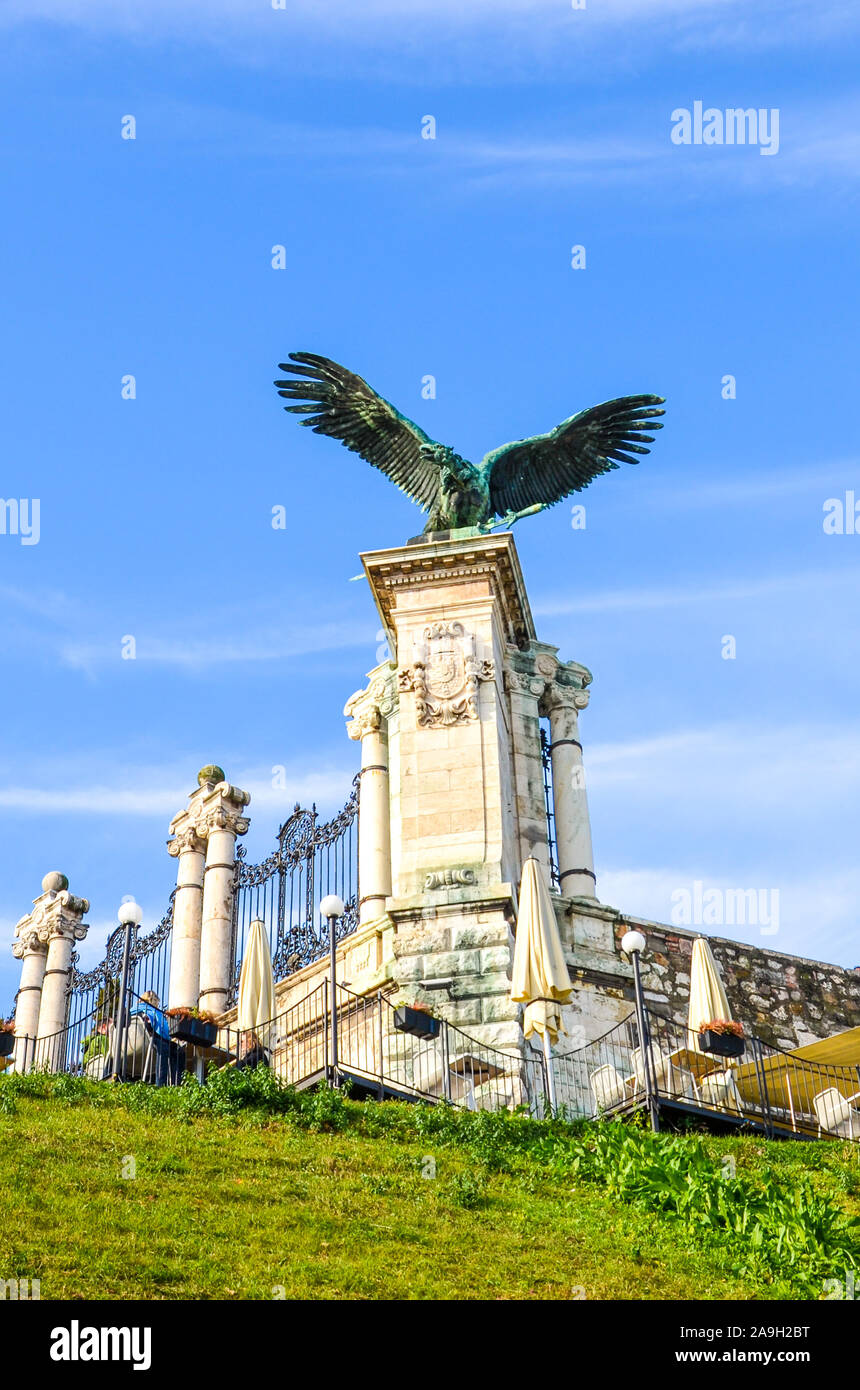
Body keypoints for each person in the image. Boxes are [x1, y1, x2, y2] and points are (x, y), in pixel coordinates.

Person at [130, 990, 180, 1085]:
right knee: (173, 1049)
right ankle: (167, 1083)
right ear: (153, 1000)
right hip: (148, 1041)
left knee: (172, 1048)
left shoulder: (133, 1011)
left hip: (131, 1044)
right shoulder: (151, 1011)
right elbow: (151, 1026)